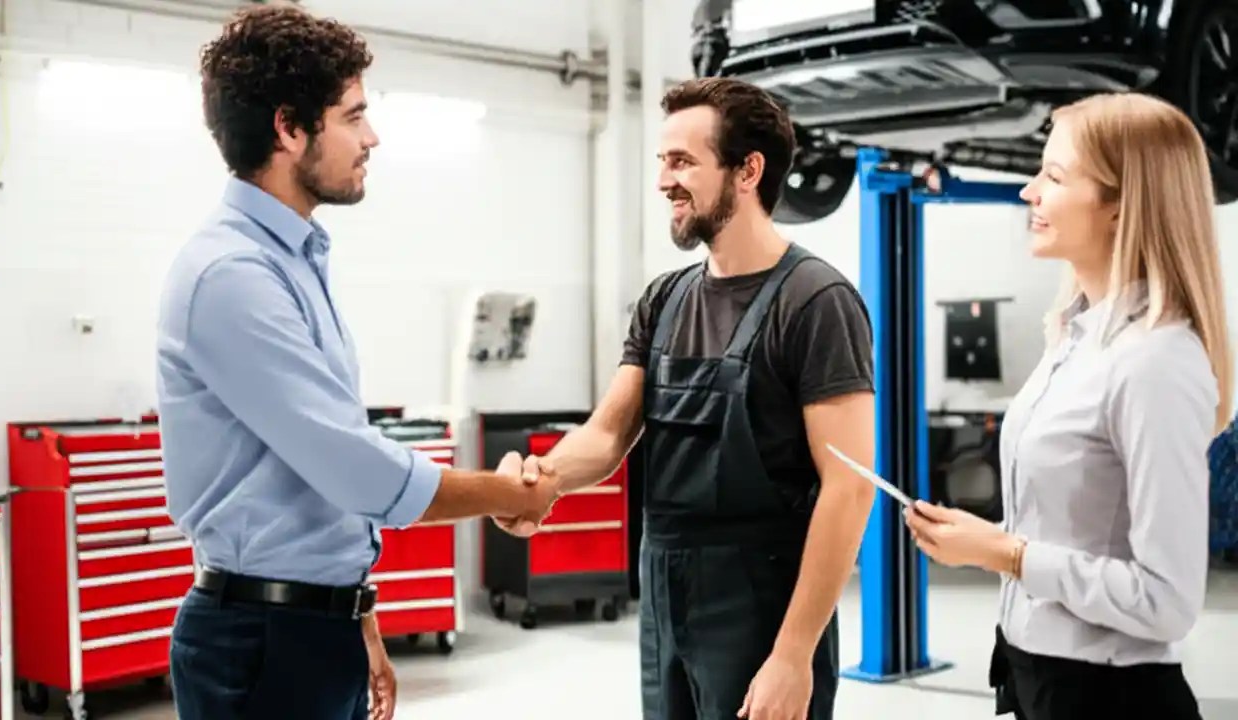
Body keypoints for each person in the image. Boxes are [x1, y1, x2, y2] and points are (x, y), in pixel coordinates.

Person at [155, 7, 559, 720]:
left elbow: (312, 480)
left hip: (310, 627)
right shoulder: (232, 275)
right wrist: (505, 494)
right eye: (354, 115)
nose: (372, 137)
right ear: (289, 127)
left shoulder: (295, 259)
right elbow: (352, 468)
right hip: (260, 645)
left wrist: (357, 616)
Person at [506, 77, 878, 720]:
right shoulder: (665, 299)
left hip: (762, 600)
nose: (663, 182)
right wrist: (541, 482)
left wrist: (792, 655)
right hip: (666, 593)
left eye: (682, 162)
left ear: (747, 171)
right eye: (662, 162)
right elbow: (607, 434)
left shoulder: (816, 302)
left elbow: (849, 490)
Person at [902, 92, 1233, 720]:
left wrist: (1006, 554)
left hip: (1107, 696)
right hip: (1036, 675)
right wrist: (987, 540)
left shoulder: (1154, 361)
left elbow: (1167, 600)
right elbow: (1075, 531)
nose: (1029, 193)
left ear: (1120, 205)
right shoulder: (1074, 336)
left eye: (1053, 176)